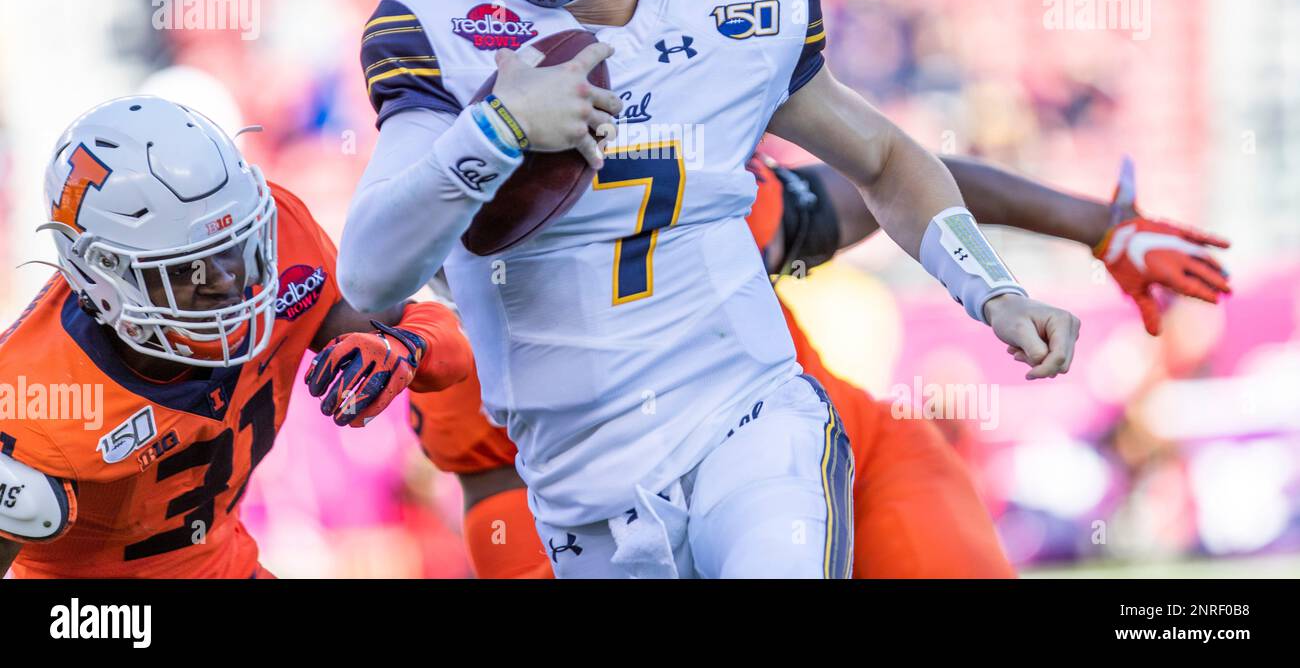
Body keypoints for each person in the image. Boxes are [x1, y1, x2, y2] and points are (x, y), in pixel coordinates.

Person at [338, 0, 1081, 578]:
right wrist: (502, 126)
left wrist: (996, 291)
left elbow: (884, 160)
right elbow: (368, 275)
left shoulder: (739, 8)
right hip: (579, 491)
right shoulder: (446, 33)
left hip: (747, 422)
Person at [409, 153, 1230, 578]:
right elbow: (509, 525)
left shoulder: (678, 206)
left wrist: (1098, 226)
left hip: (858, 467)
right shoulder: (463, 355)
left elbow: (889, 178)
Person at [0, 96, 471, 578]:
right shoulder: (32, 401)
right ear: (103, 276)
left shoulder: (284, 241)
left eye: (238, 247)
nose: (228, 281)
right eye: (189, 268)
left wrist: (409, 348)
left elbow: (450, 338)